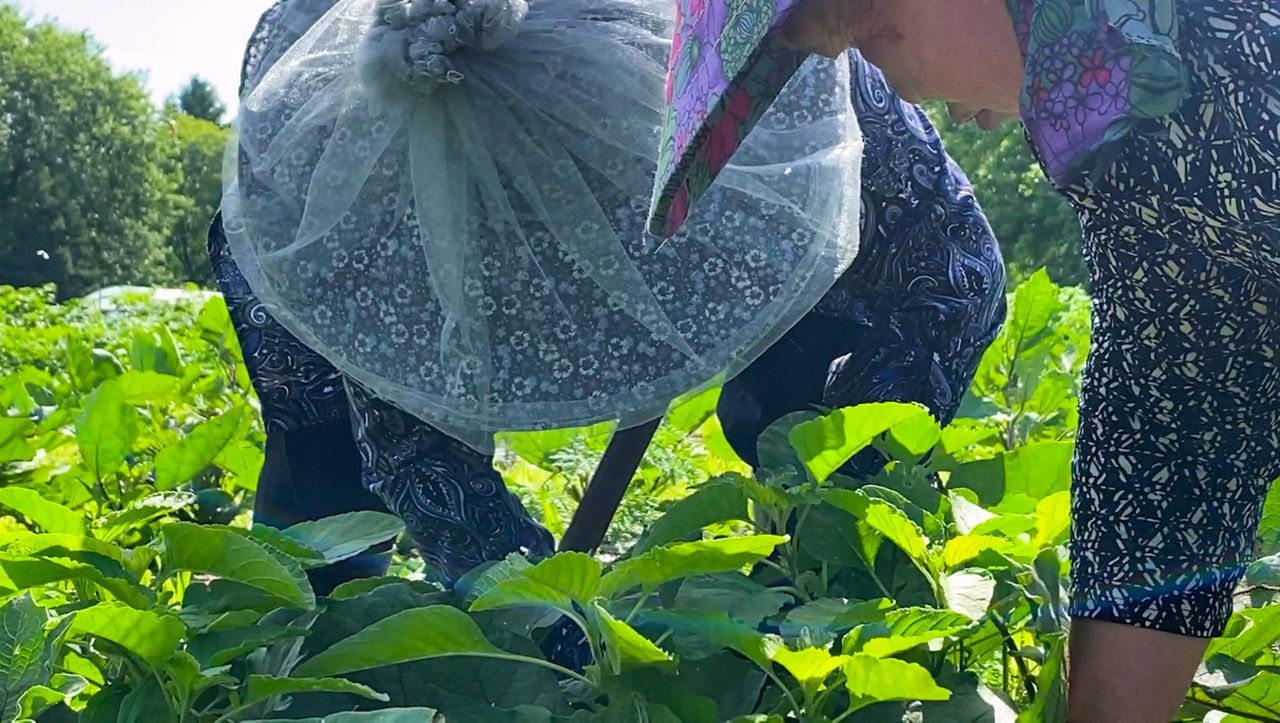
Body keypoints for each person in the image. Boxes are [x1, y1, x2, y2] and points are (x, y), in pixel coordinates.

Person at [211, 0, 1003, 659]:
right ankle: (285, 656)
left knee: (817, 410)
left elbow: (956, 270)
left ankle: (811, 567)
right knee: (323, 477)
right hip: (337, 185)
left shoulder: (778, 62)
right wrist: (563, 643)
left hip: (790, 190)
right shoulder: (353, 202)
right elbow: (423, 464)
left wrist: (823, 532)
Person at [779, 1, 1280, 720]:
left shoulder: (1242, 54)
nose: (878, 76)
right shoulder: (1131, 159)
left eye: (865, 40)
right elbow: (1171, 421)